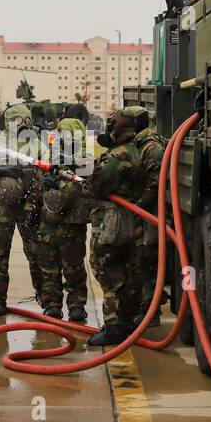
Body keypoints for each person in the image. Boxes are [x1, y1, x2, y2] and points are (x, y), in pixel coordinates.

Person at [0, 103, 45, 317]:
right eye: (17, 120)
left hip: (30, 207)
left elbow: (48, 174)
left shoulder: (38, 145)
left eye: (25, 120)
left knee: (36, 254)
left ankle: (46, 298)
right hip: (2, 209)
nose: (22, 124)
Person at [83, 108, 144, 347]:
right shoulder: (135, 152)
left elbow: (94, 188)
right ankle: (126, 322)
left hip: (111, 221)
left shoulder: (116, 157)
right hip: (129, 220)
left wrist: (82, 182)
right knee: (126, 271)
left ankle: (113, 326)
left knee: (105, 269)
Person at [37, 103, 92, 322]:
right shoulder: (48, 157)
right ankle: (52, 304)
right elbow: (36, 183)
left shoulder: (86, 162)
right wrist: (45, 180)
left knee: (74, 266)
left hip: (73, 223)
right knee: (49, 266)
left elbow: (90, 185)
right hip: (49, 220)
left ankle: (77, 305)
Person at [123, 106, 166, 327]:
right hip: (140, 215)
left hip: (149, 216)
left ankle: (151, 312)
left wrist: (137, 206)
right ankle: (142, 308)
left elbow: (155, 185)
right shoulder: (136, 145)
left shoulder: (151, 149)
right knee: (136, 262)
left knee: (146, 262)